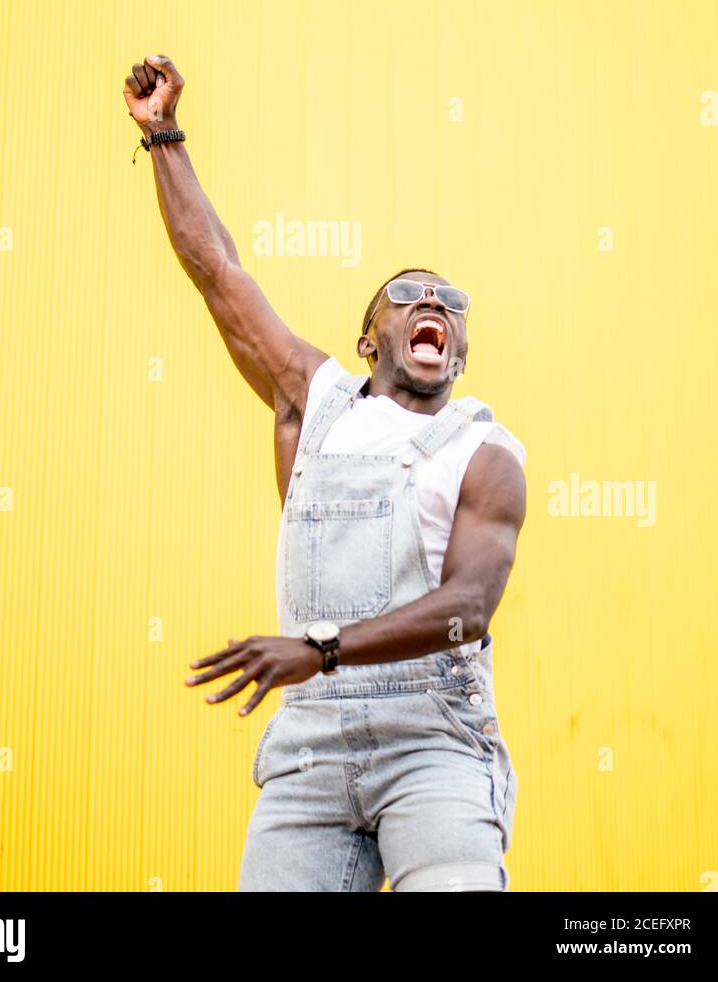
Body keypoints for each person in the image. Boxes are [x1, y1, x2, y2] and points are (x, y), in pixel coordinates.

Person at [123, 53, 527, 892]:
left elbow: (467, 609)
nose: (434, 305)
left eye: (451, 302)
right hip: (310, 749)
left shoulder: (484, 451)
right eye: (409, 293)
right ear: (368, 338)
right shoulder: (314, 404)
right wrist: (163, 135)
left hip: (435, 745)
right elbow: (217, 271)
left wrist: (321, 648)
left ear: (459, 348)